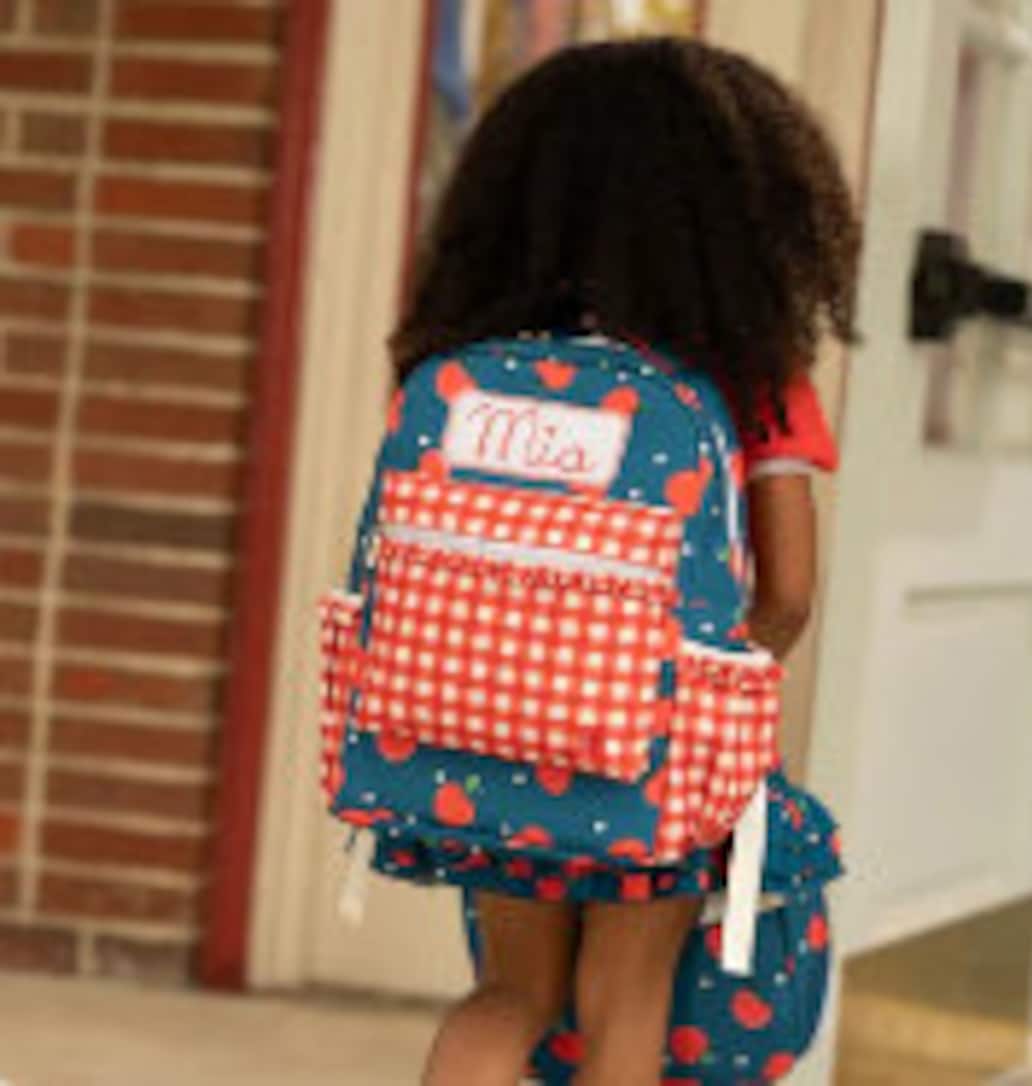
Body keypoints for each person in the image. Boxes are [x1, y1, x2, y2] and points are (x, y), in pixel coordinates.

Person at [382, 37, 858, 1086]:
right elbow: (785, 590)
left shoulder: (465, 368)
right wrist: (698, 693)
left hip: (487, 736)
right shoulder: (748, 375)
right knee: (624, 1005)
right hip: (655, 754)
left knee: (508, 993)